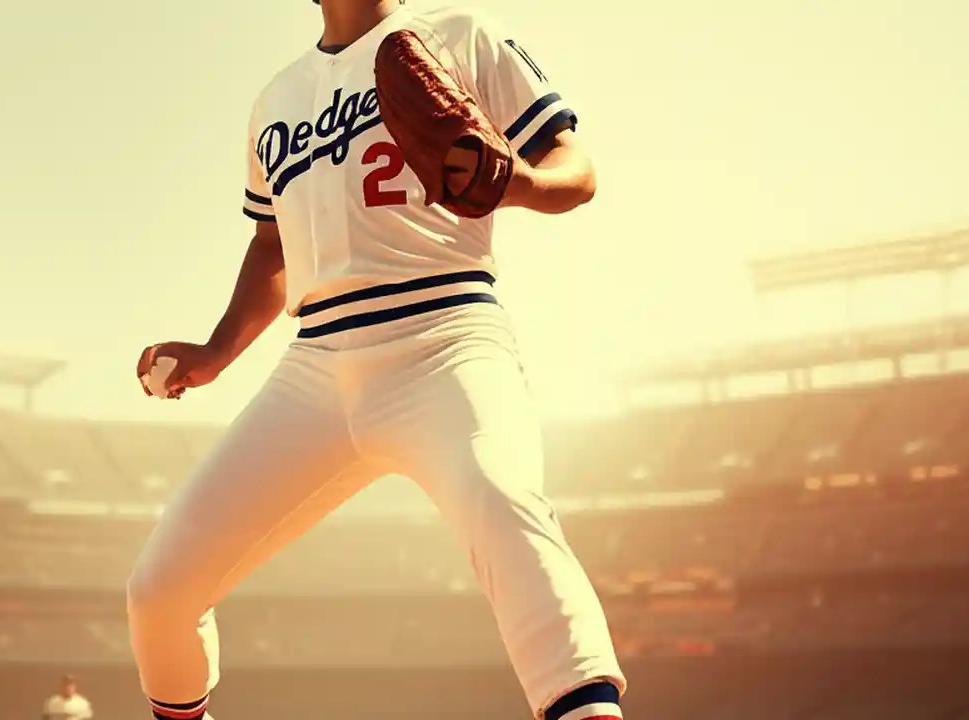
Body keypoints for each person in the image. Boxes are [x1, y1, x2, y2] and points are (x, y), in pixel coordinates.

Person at [126, 1, 625, 718]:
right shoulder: (276, 99)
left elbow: (574, 169)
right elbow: (274, 246)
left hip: (445, 333)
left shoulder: (456, 35)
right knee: (159, 591)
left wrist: (516, 182)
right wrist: (215, 352)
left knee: (501, 500)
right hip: (318, 362)